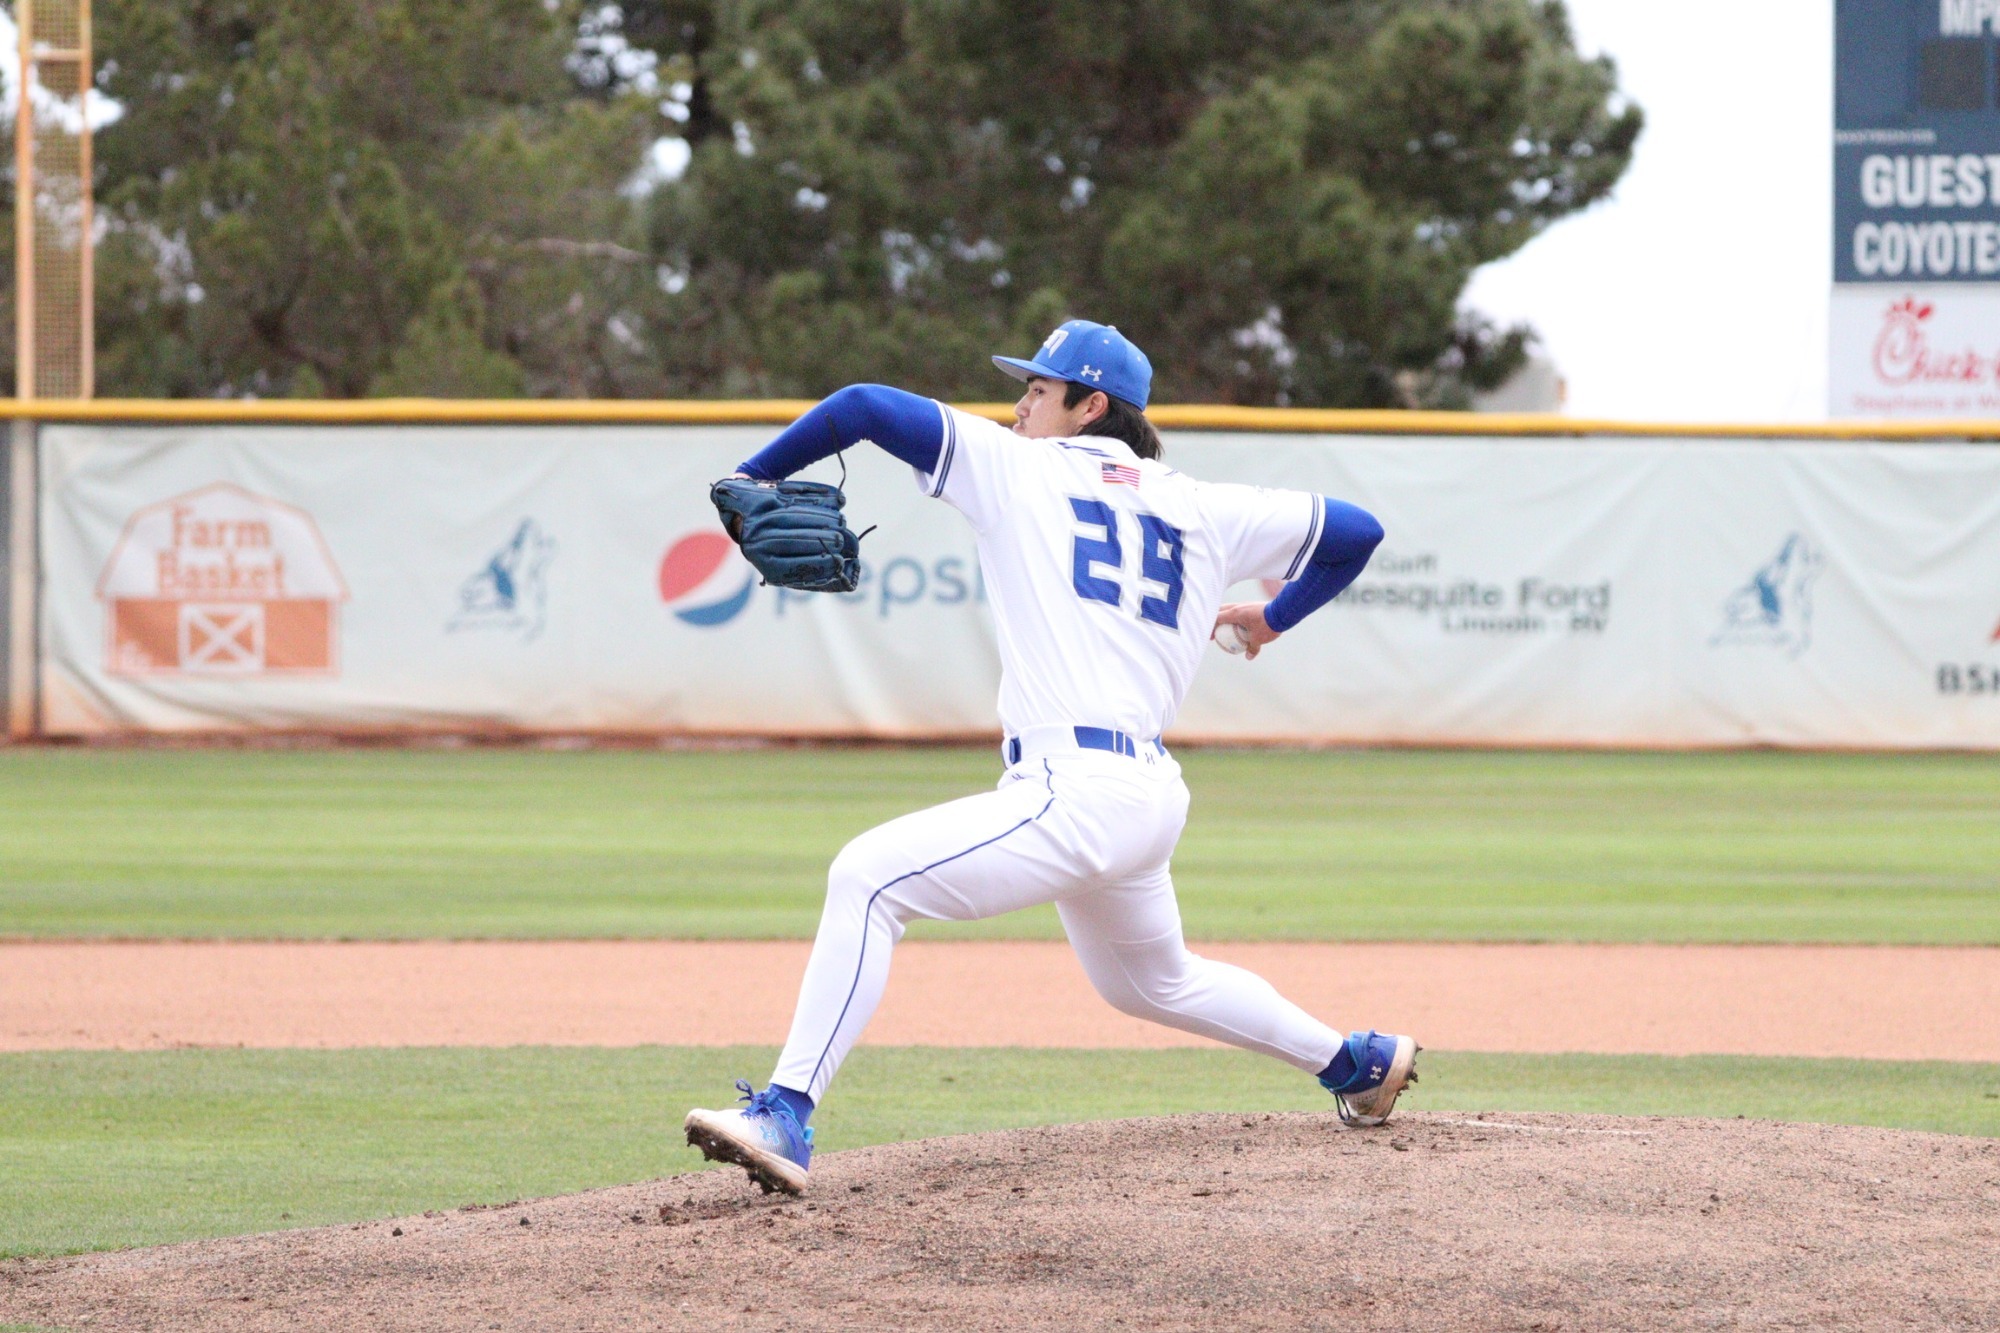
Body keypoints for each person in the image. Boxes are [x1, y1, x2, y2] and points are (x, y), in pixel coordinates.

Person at [684, 320, 1415, 1195]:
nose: (1020, 402)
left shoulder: (1016, 466)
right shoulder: (1207, 505)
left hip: (1074, 789)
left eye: (1039, 389)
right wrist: (1272, 616)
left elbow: (862, 406)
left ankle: (785, 1114)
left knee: (868, 879)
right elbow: (1359, 530)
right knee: (1152, 981)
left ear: (1090, 405)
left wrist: (755, 474)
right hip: (1143, 793)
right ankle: (1356, 1064)